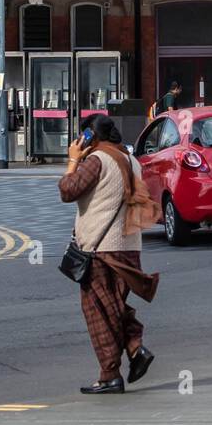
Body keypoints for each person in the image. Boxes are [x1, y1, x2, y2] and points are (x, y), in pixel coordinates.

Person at [59, 114, 162, 395]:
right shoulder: (131, 160)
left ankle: (109, 375)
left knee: (97, 311)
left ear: (90, 136)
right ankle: (135, 349)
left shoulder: (96, 161)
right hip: (129, 247)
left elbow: (68, 191)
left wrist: (72, 160)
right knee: (114, 308)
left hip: (100, 249)